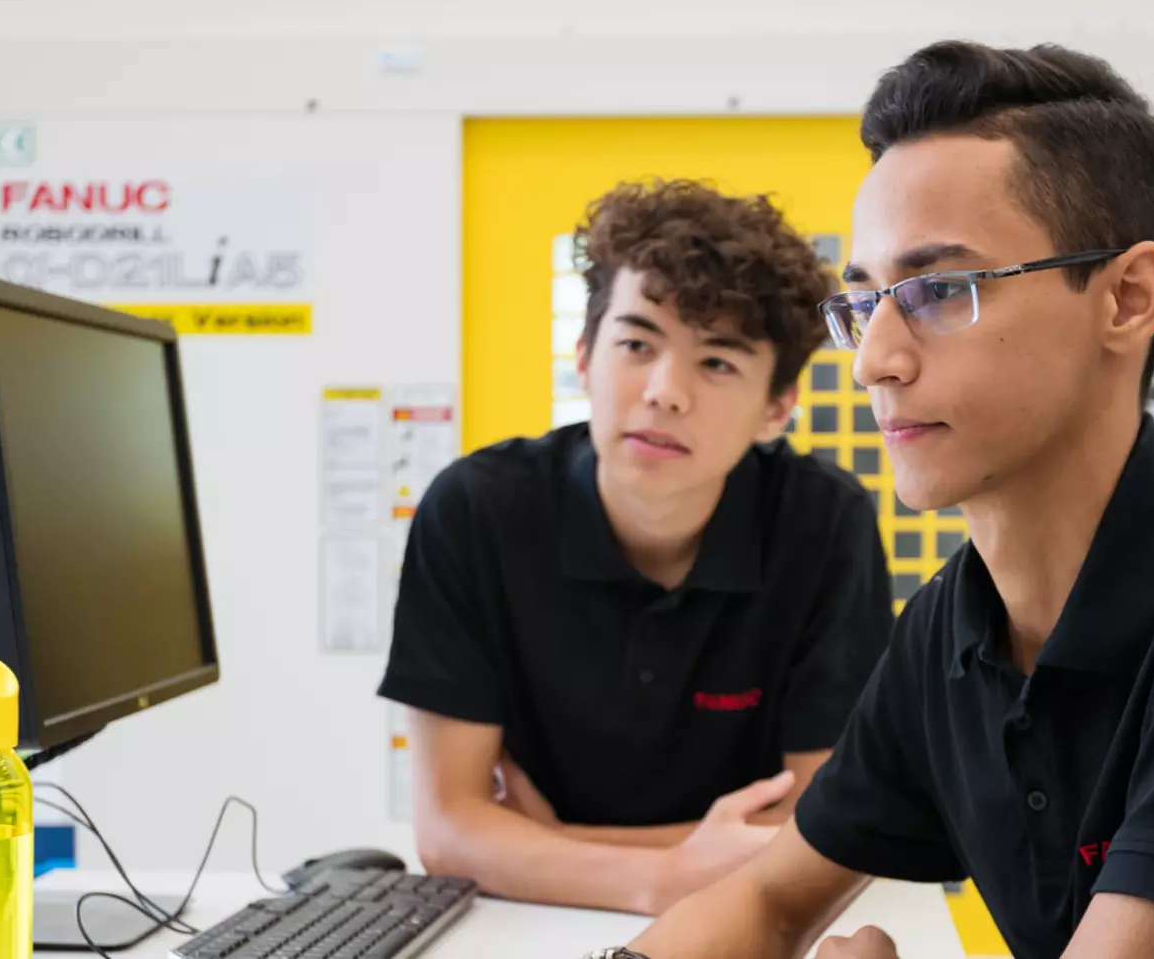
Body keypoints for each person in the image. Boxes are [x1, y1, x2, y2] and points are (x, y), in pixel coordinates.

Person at [615, 41, 1154, 959]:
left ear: (1128, 297)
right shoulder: (948, 631)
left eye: (940, 290)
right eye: (867, 301)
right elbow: (766, 898)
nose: (877, 358)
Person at [379, 179, 895, 915]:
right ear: (585, 356)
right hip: (521, 923)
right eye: (635, 343)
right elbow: (449, 829)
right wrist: (661, 876)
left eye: (717, 362)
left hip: (745, 922)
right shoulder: (476, 510)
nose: (664, 391)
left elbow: (821, 827)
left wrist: (554, 841)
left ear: (776, 408)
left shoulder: (823, 524)